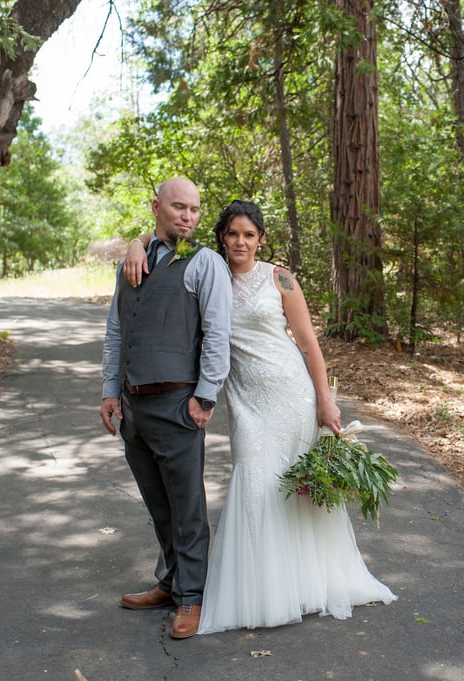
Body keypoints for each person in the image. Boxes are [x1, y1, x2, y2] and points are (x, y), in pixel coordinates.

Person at [124, 199, 395, 634]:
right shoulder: (205, 270)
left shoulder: (280, 278)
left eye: (249, 235)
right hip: (246, 402)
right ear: (221, 238)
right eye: (232, 234)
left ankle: (302, 584)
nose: (240, 242)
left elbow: (308, 344)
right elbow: (167, 237)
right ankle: (258, 590)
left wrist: (325, 400)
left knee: (295, 491)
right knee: (254, 483)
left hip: (291, 394)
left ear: (261, 239)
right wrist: (137, 242)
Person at [99, 177, 232, 639]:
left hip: (178, 403)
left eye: (194, 210)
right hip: (133, 406)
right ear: (157, 206)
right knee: (158, 505)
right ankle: (171, 582)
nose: (188, 217)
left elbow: (217, 333)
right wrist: (110, 390)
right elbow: (118, 330)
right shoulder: (129, 263)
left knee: (187, 505)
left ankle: (192, 597)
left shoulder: (205, 263)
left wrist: (206, 396)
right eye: (179, 208)